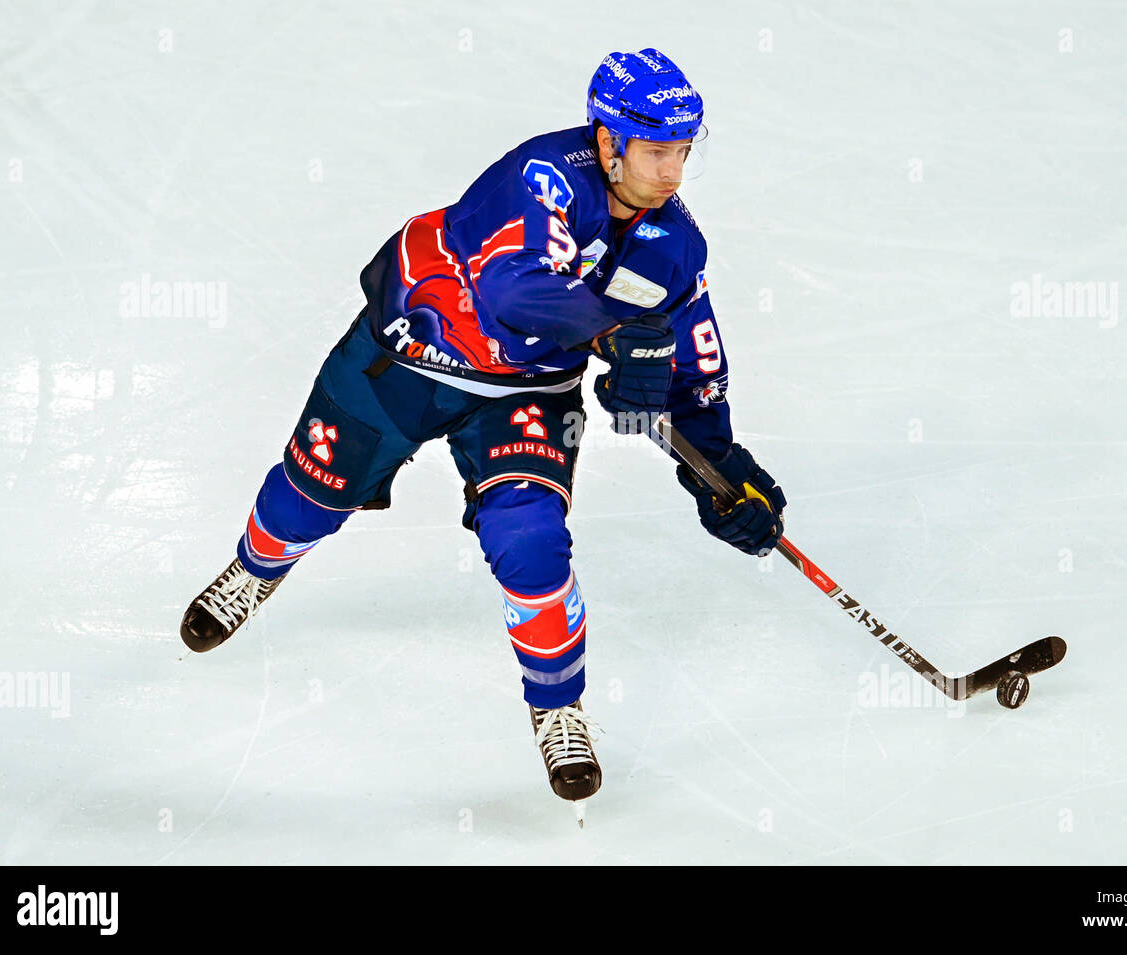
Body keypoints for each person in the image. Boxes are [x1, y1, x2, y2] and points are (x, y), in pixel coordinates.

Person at [179, 48, 786, 808]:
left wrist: (720, 470)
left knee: (530, 540)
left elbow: (690, 363)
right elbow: (515, 290)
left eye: (682, 153)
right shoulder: (544, 174)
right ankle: (255, 570)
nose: (671, 173)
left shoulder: (675, 245)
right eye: (656, 150)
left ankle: (558, 705)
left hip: (525, 394)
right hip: (407, 357)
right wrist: (614, 335)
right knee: (308, 497)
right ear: (608, 141)